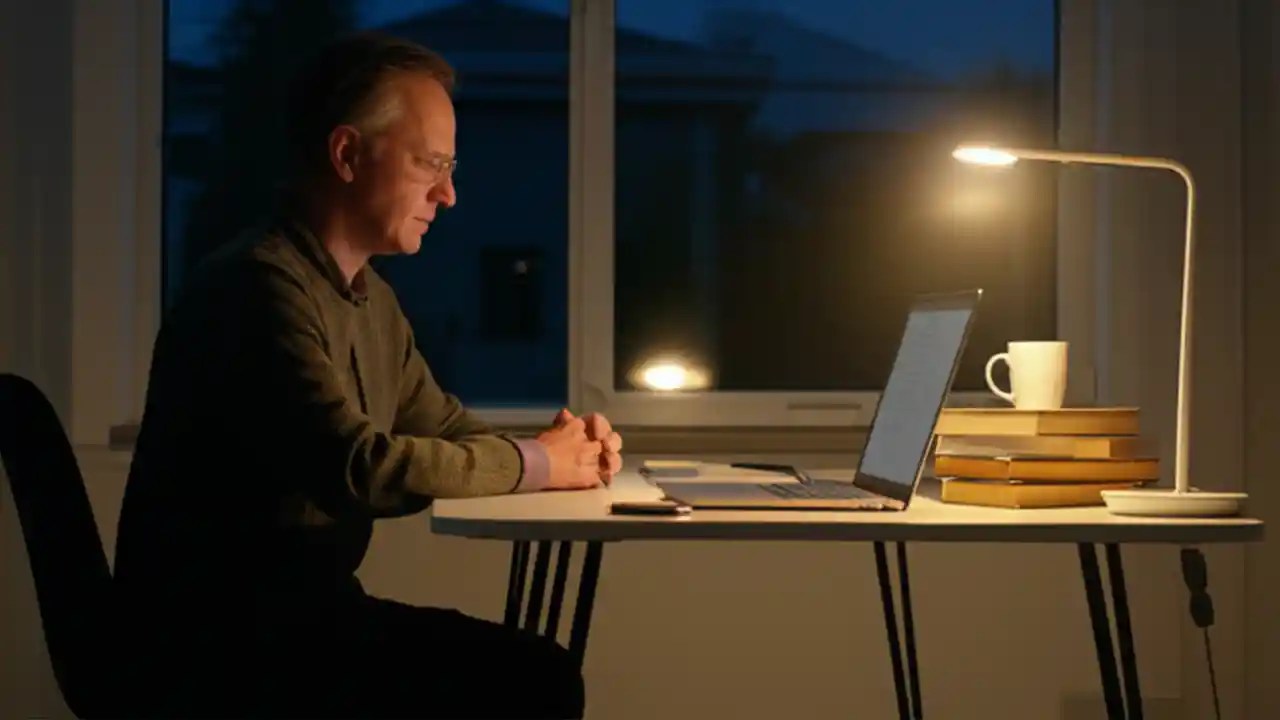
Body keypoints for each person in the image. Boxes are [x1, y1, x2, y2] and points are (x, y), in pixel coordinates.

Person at [112, 32, 621, 719]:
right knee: (534, 681)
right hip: (221, 645)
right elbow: (359, 468)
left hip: (300, 622)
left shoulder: (368, 297)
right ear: (347, 154)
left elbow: (440, 425)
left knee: (534, 673)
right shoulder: (259, 289)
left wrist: (564, 452)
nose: (448, 194)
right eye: (429, 164)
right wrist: (533, 464)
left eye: (451, 167)